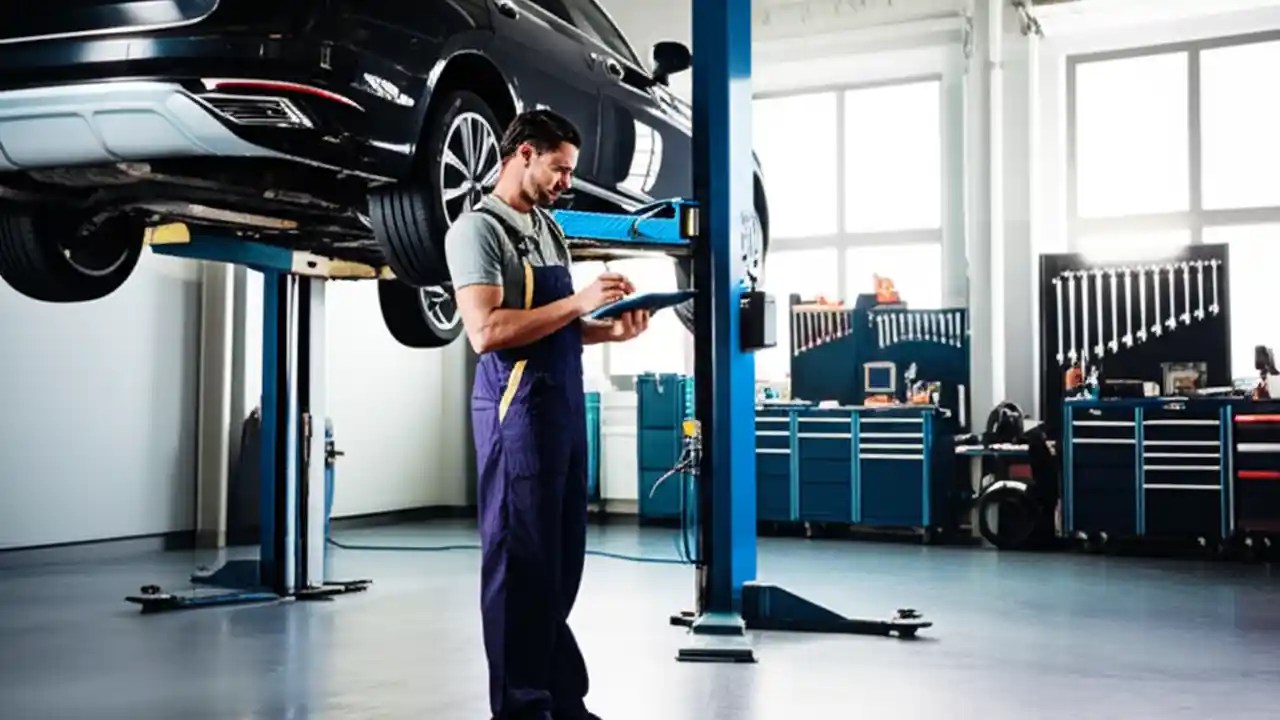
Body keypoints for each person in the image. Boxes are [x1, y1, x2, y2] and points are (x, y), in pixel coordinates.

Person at [444, 109, 650, 720]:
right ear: (524, 154)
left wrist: (607, 331)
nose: (566, 181)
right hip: (517, 413)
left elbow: (558, 325)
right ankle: (520, 706)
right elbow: (486, 331)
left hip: (559, 408)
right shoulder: (478, 231)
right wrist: (580, 300)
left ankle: (560, 698)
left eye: (570, 171)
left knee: (560, 563)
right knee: (517, 565)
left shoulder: (547, 229)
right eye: (559, 169)